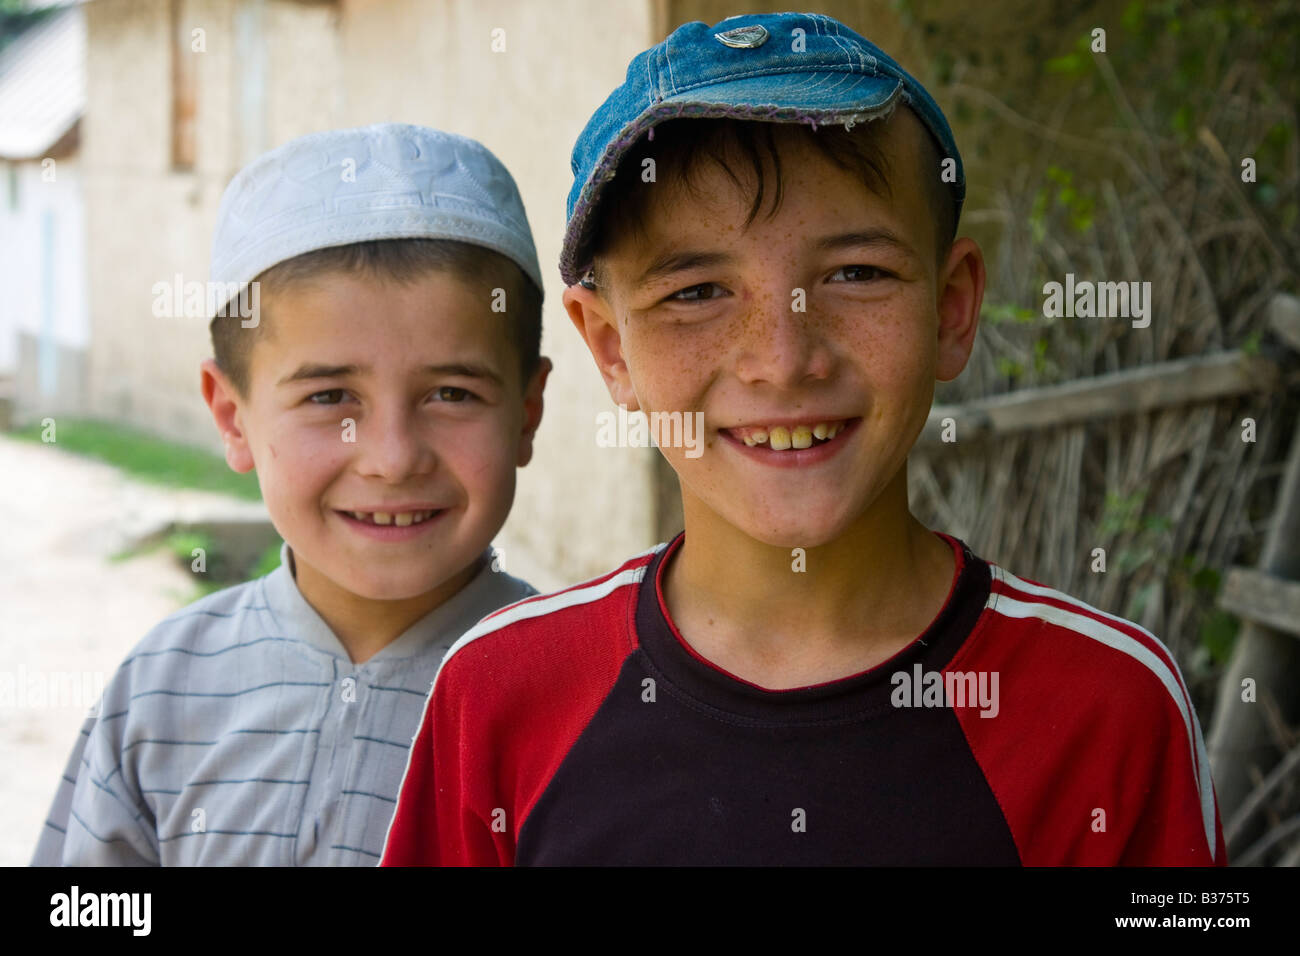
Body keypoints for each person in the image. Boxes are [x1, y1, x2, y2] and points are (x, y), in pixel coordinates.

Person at [380, 13, 1225, 865]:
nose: (783, 362)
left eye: (856, 274)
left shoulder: (1106, 708)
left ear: (953, 308)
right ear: (610, 349)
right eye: (697, 292)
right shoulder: (498, 694)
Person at [32, 123, 550, 865]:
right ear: (231, 415)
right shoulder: (162, 689)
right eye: (330, 396)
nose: (392, 458)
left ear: (527, 413)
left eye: (451, 392)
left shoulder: (573, 700)